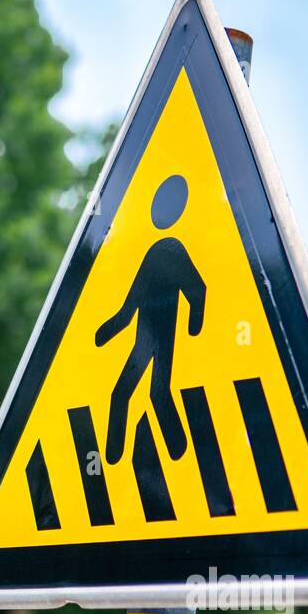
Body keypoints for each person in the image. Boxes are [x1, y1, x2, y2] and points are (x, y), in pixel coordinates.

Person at [95, 174, 206, 464]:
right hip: (143, 338)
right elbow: (129, 305)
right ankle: (113, 459)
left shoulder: (173, 249)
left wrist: (195, 326)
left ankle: (180, 452)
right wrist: (107, 331)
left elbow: (197, 288)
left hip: (162, 337)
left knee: (158, 393)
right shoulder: (154, 252)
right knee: (122, 394)